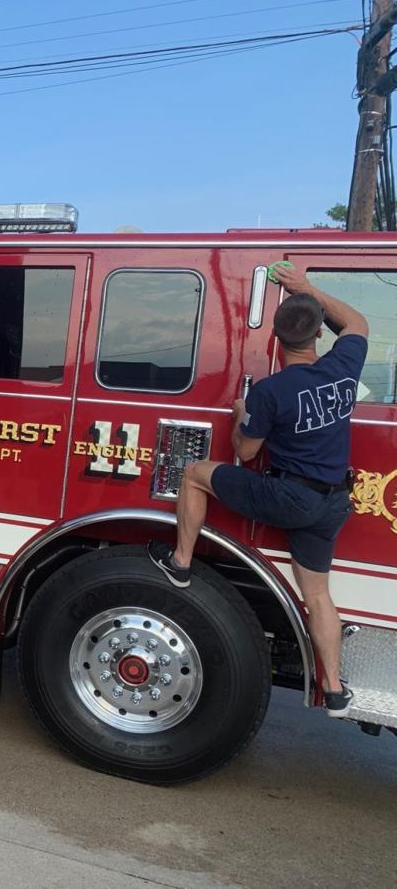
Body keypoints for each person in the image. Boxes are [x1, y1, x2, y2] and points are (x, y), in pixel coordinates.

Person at [148, 265, 367, 718]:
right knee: (318, 596)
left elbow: (245, 453)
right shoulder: (343, 368)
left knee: (194, 473)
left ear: (275, 339)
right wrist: (307, 290)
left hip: (289, 499)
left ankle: (181, 563)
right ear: (318, 336)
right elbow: (357, 323)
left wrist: (241, 413)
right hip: (332, 504)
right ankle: (334, 690)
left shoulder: (270, 391)